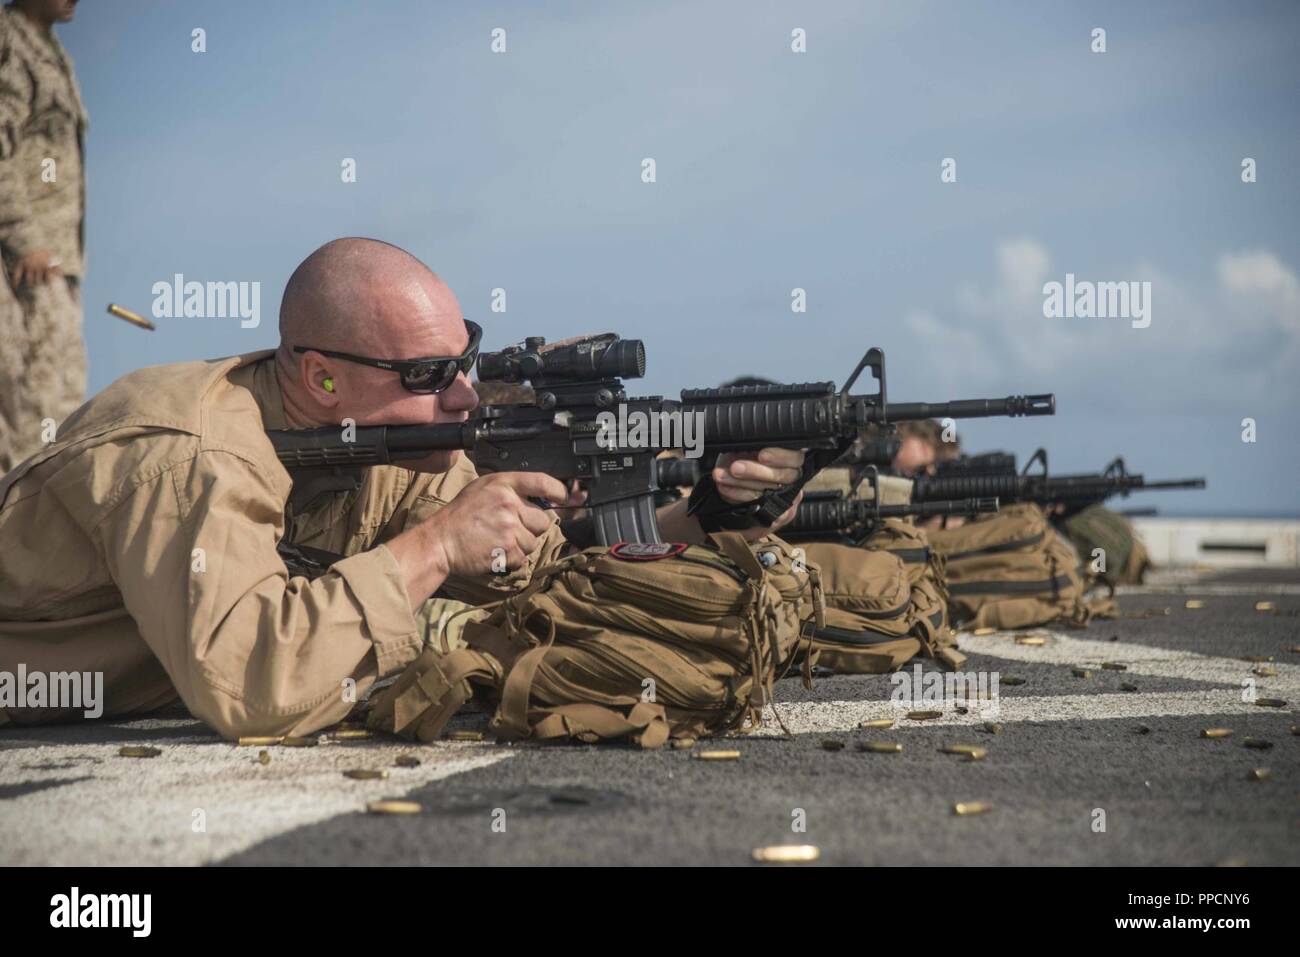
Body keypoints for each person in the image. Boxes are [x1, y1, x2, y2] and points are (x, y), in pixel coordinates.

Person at [0, 238, 804, 737]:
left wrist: (704, 512)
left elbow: (546, 566)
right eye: (427, 375)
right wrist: (436, 545)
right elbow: (250, 687)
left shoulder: (384, 441)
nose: (462, 396)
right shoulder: (190, 455)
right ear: (320, 378)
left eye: (465, 361)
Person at [0, 0, 87, 472]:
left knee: (59, 414)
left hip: (52, 263)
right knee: (35, 419)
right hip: (25, 266)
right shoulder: (8, 40)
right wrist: (24, 237)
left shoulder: (51, 50)